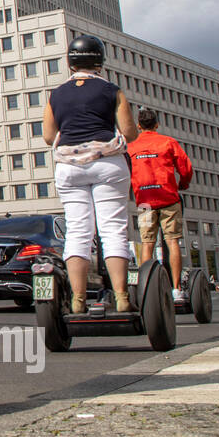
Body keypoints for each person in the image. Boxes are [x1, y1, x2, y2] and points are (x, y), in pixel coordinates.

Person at [42, 35, 138, 313]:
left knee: (77, 231)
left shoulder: (56, 94)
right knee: (112, 229)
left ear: (70, 63)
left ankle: (78, 299)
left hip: (70, 168)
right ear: (99, 61)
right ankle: (121, 297)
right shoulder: (112, 90)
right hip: (108, 164)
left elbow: (49, 137)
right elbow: (130, 132)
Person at [128, 107, 194, 303]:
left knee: (147, 242)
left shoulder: (132, 147)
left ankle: (147, 287)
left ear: (138, 126)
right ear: (156, 124)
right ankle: (176, 289)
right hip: (168, 198)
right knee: (173, 241)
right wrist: (183, 184)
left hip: (146, 200)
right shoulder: (168, 142)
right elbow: (186, 167)